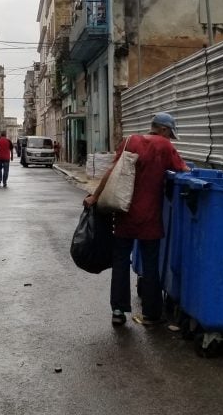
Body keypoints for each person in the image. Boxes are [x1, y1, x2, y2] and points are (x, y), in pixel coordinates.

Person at [83, 112, 189, 327]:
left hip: (125, 214)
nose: (169, 138)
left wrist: (95, 196)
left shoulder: (129, 141)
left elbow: (111, 172)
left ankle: (118, 311)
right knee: (151, 265)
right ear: (163, 130)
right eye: (169, 134)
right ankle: (151, 313)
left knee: (121, 261)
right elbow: (184, 171)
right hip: (150, 218)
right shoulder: (164, 146)